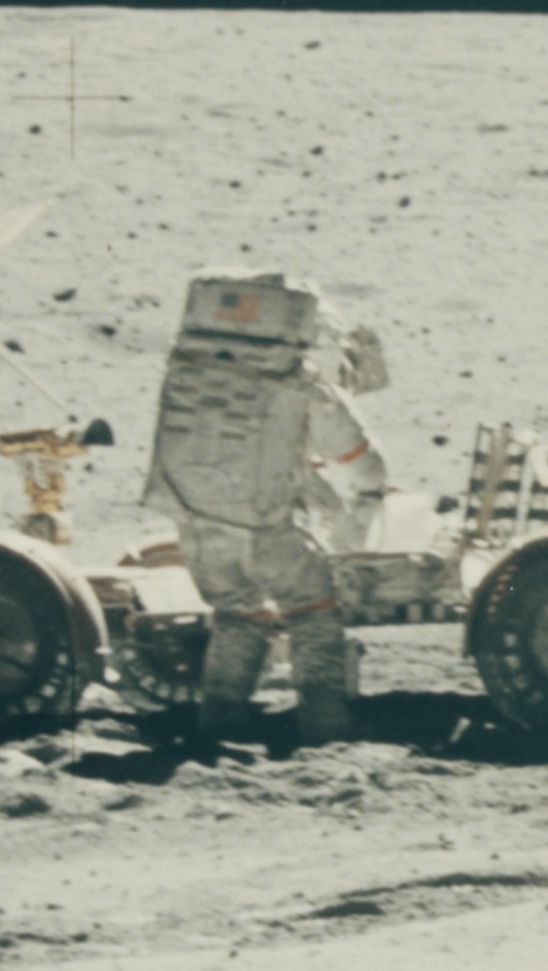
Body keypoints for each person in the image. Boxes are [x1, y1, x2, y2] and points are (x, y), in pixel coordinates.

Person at [141, 273, 390, 745]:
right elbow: (363, 464)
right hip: (265, 531)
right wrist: (369, 494)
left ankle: (220, 718)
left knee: (238, 614)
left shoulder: (192, 371)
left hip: (196, 527)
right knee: (313, 608)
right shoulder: (300, 384)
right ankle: (324, 723)